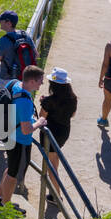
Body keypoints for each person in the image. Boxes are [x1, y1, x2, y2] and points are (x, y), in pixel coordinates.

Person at [0, 66, 47, 208]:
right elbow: (26, 129)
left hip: (8, 134)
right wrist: (39, 122)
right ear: (32, 81)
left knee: (11, 168)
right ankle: (6, 206)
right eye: (40, 81)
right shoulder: (24, 101)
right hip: (20, 141)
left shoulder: (14, 84)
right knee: (14, 175)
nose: (41, 84)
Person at [39, 68, 77, 204]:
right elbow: (72, 115)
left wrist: (43, 102)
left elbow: (41, 117)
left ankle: (56, 196)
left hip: (50, 134)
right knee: (54, 159)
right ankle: (53, 191)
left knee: (51, 166)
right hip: (63, 132)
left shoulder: (49, 101)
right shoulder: (73, 99)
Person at [0, 10, 35, 89]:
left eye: (1, 20)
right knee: (20, 100)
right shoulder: (25, 35)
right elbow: (36, 54)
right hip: (24, 79)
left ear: (8, 23)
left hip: (6, 80)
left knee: (2, 101)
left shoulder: (3, 40)